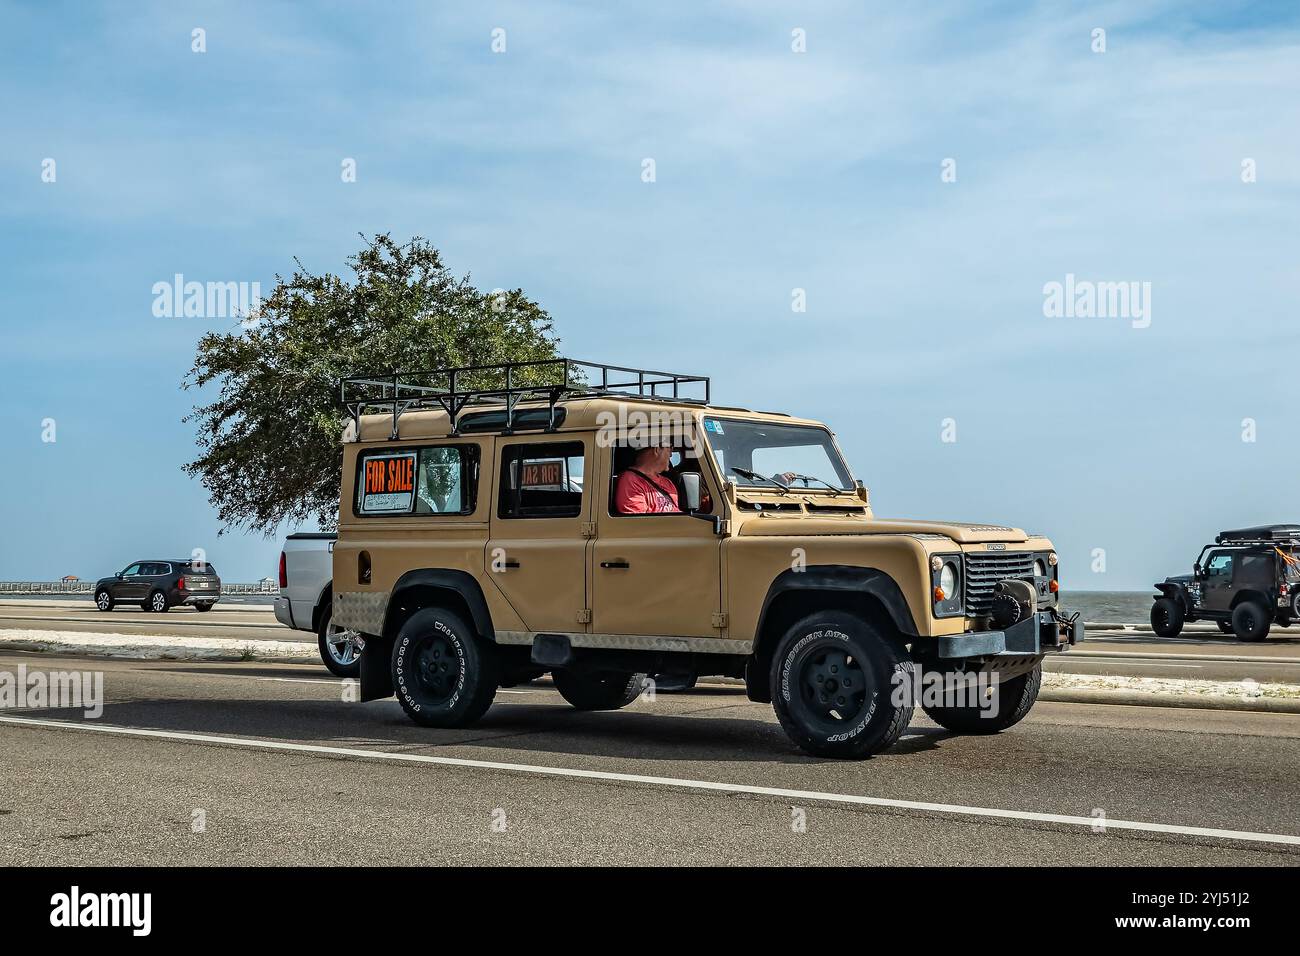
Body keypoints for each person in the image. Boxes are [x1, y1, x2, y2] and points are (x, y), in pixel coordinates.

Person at [614, 445, 681, 514]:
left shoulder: (667, 482)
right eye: (670, 449)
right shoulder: (630, 480)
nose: (671, 455)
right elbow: (638, 522)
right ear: (657, 449)